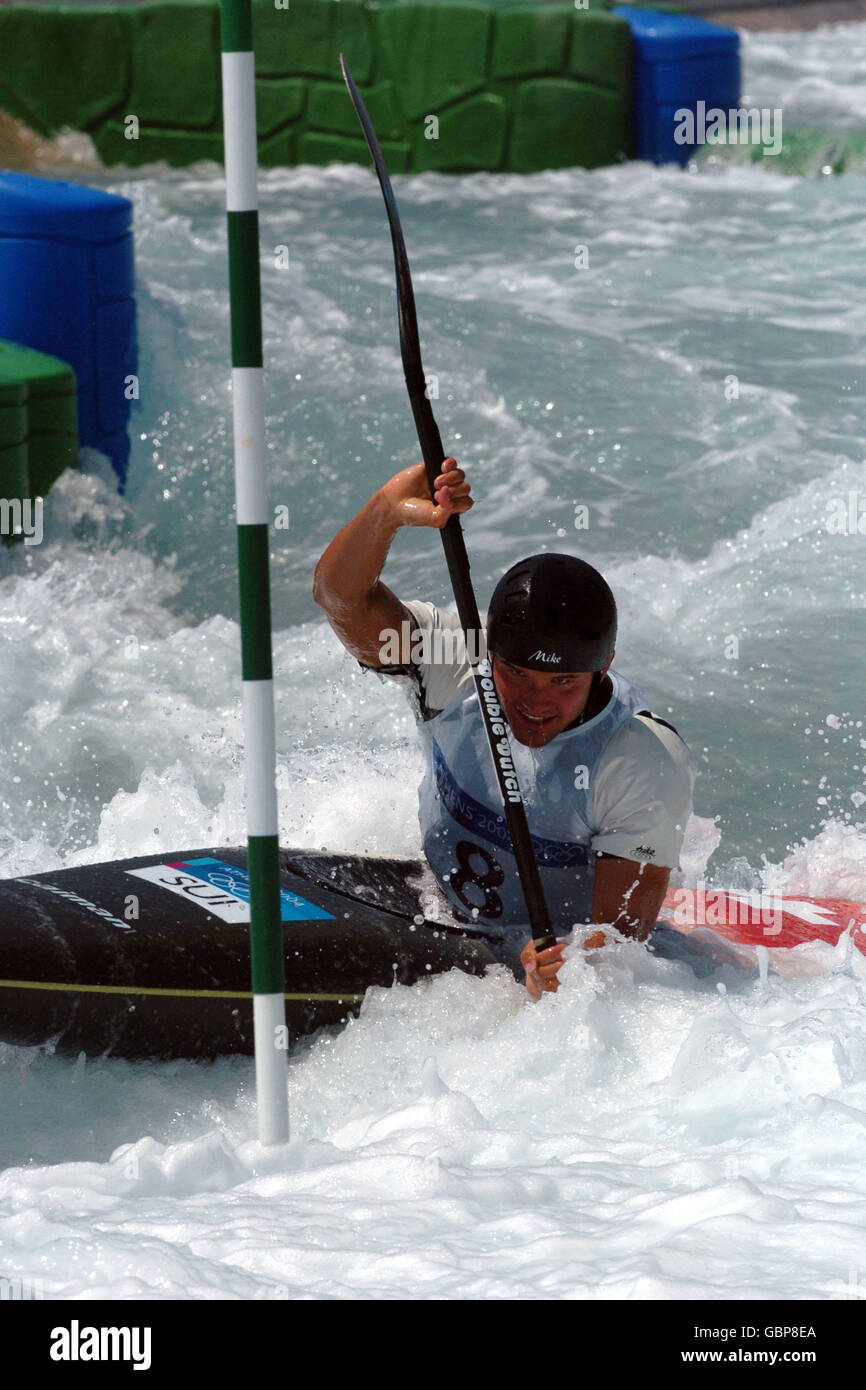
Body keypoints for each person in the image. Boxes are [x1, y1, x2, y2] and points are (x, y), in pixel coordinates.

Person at [313, 456, 697, 998]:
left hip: (549, 958)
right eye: (516, 673)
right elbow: (340, 596)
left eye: (563, 682)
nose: (535, 703)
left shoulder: (640, 758)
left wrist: (568, 969)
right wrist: (386, 512)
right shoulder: (454, 658)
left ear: (602, 668)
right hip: (431, 901)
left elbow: (619, 946)